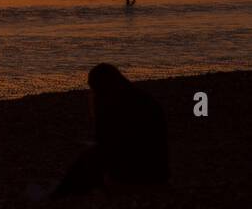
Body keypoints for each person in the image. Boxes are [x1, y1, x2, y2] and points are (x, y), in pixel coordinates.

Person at [52, 63, 169, 197]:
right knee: (94, 156)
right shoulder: (144, 99)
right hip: (159, 175)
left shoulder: (112, 105)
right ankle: (62, 193)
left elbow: (107, 144)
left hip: (137, 178)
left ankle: (59, 195)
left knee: (90, 158)